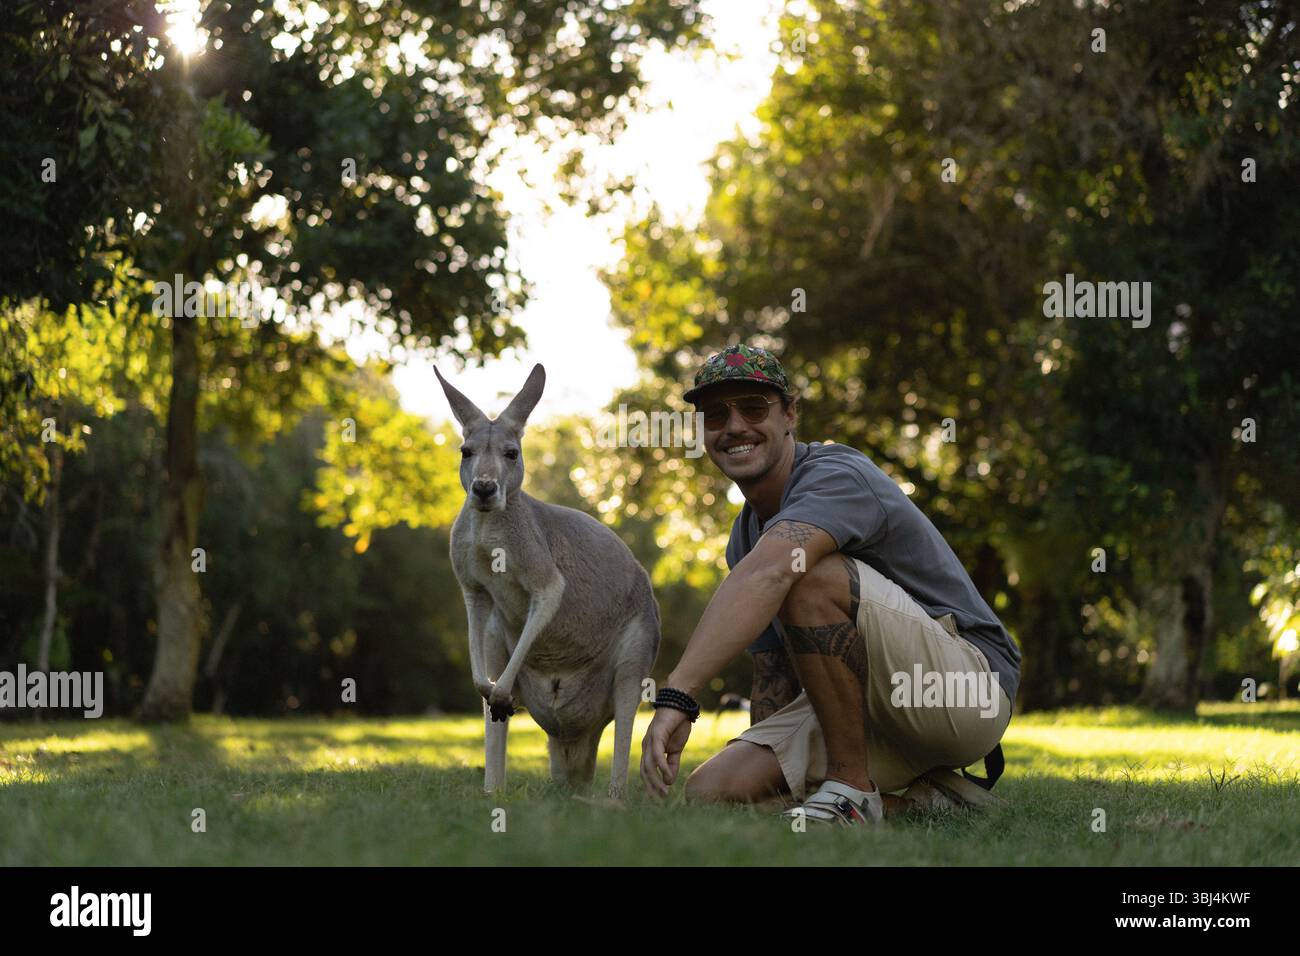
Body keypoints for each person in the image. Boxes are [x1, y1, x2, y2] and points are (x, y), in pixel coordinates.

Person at [639, 344, 1022, 825]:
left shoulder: (835, 473)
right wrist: (771, 757)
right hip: (870, 709)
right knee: (715, 792)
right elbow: (773, 674)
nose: (734, 426)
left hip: (964, 692)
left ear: (790, 415)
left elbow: (776, 571)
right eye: (716, 415)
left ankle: (850, 790)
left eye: (754, 408)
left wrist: (678, 696)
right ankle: (930, 808)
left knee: (805, 572)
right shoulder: (744, 539)